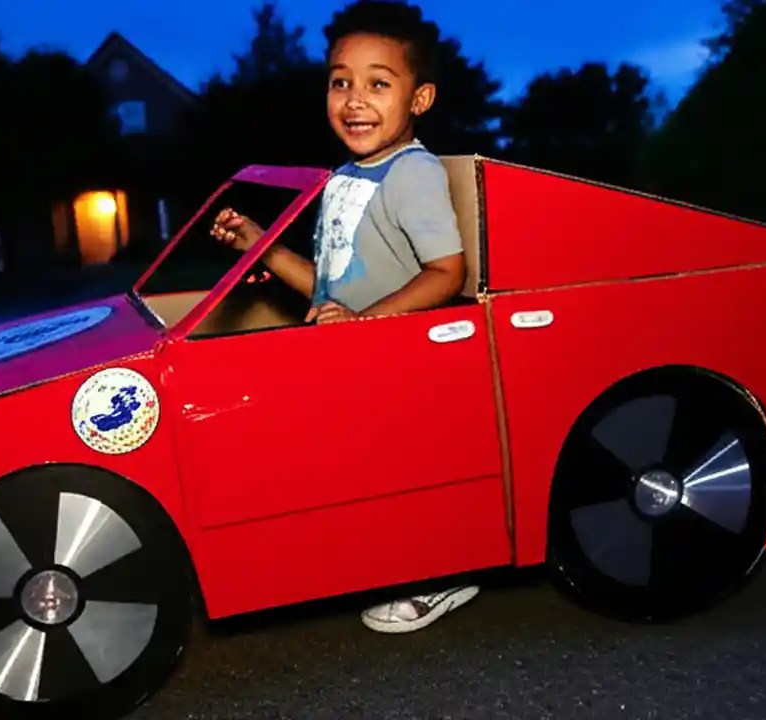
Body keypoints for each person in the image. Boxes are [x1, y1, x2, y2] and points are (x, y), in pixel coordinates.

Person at [210, 0, 479, 633]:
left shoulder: (410, 174)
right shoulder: (343, 175)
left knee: (408, 467)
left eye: (379, 83)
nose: (355, 99)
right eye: (341, 82)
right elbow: (327, 287)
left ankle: (443, 573)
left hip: (397, 355)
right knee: (351, 463)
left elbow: (448, 272)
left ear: (420, 98)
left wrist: (364, 325)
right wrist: (263, 245)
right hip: (349, 352)